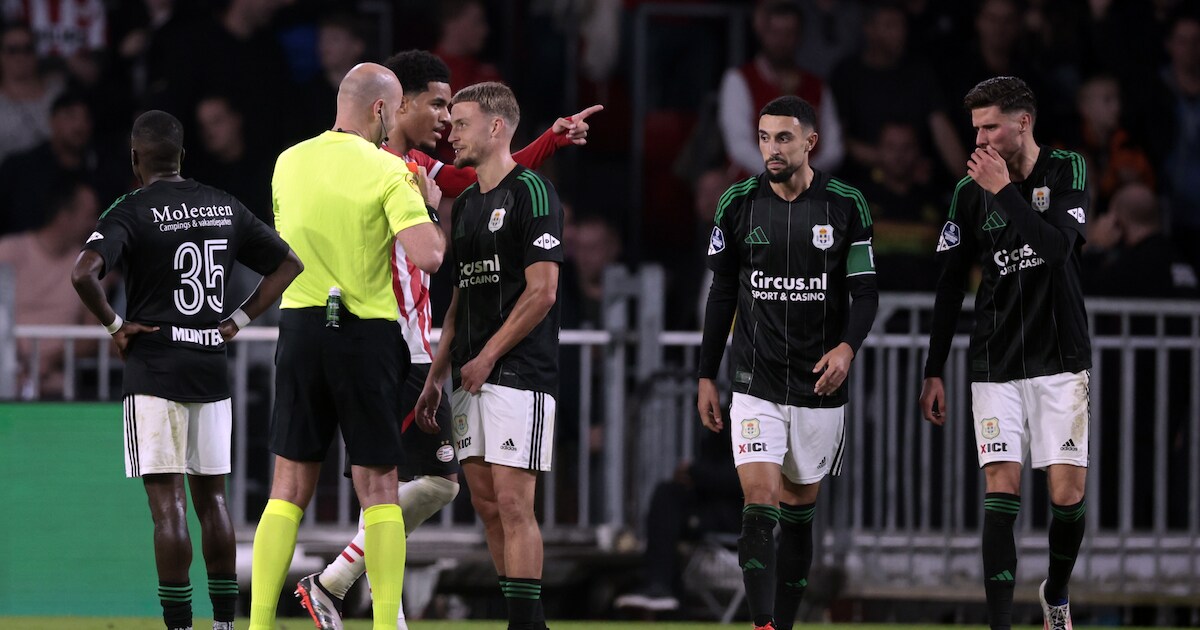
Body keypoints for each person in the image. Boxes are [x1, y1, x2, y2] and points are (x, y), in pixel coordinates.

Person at [294, 50, 600, 630]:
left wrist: (549, 142)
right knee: (405, 485)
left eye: (455, 113)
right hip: (383, 339)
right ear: (396, 103)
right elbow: (447, 235)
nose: (444, 119)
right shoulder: (373, 167)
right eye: (437, 104)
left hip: (405, 347)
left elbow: (486, 176)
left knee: (432, 485)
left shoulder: (415, 166)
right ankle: (361, 602)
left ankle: (342, 590)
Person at [70, 110, 302, 630]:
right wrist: (239, 319)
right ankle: (224, 624)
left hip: (154, 369)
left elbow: (83, 272)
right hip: (210, 367)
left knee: (167, 507)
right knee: (212, 500)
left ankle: (179, 626)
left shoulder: (131, 209)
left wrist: (115, 326)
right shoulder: (222, 203)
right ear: (183, 156)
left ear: (135, 158)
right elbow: (288, 263)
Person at [246, 63, 445, 630]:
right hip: (365, 332)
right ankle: (385, 625)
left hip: (302, 324)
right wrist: (427, 202)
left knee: (287, 486)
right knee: (380, 488)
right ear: (382, 110)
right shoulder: (390, 169)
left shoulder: (288, 162)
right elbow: (429, 255)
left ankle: (259, 625)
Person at [697, 95, 879, 630]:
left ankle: (787, 624)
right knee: (759, 505)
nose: (770, 149)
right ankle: (762, 624)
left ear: (810, 143)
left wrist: (847, 348)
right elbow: (722, 292)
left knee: (799, 515)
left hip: (820, 384)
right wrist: (707, 374)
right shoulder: (736, 203)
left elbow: (865, 293)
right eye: (763, 137)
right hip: (754, 379)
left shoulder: (846, 204)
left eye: (782, 138)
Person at [919, 76, 1092, 630]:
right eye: (975, 129)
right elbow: (950, 284)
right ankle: (998, 625)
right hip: (994, 359)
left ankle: (1056, 593)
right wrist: (933, 369)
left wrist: (1004, 193)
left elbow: (1057, 249)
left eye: (991, 126)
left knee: (1067, 496)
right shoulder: (968, 190)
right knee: (1002, 485)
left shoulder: (1066, 170)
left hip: (1060, 357)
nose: (981, 140)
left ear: (1024, 122)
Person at [414, 81, 564, 630]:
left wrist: (487, 358)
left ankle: (526, 625)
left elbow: (542, 292)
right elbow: (459, 299)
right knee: (486, 505)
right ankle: (526, 621)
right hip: (469, 375)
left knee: (515, 503)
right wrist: (437, 374)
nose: (451, 134)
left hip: (520, 373)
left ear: (496, 127)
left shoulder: (533, 194)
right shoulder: (469, 204)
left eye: (461, 124)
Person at [0, 178, 99, 398]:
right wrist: (15, 361)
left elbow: (94, 336)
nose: (95, 224)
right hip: (5, 377)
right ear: (64, 216)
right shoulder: (9, 252)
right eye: (89, 215)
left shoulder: (88, 266)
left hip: (57, 385)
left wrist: (53, 358)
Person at [1082, 182, 1197, 298]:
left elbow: (1082, 292)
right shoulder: (1181, 257)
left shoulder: (1132, 267)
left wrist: (1096, 248)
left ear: (1117, 222)